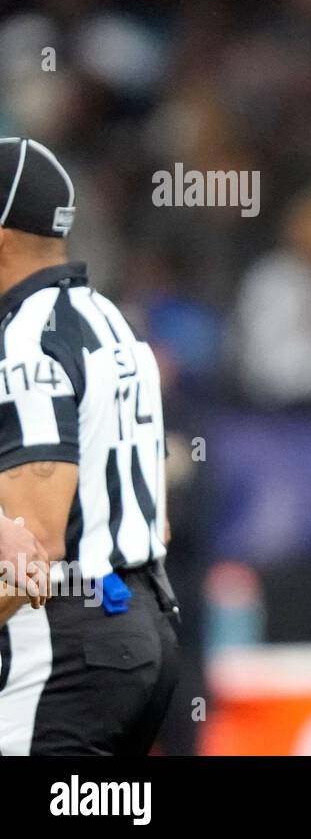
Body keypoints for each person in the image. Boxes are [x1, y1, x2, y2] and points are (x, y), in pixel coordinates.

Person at [0, 137, 178, 756]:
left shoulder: (22, 342)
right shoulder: (115, 323)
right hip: (142, 619)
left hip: (62, 642)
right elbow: (160, 520)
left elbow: (30, 551)